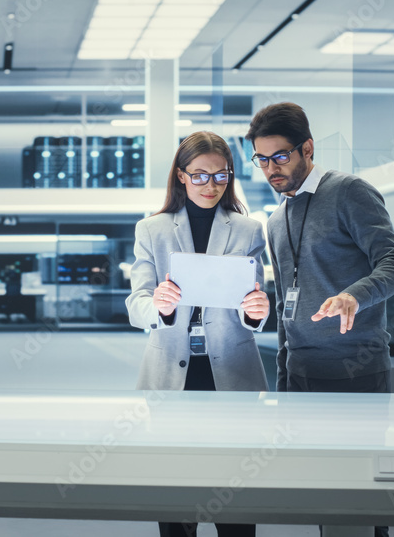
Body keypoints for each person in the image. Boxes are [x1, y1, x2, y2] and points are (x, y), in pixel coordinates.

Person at [247, 103, 394, 537]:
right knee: (323, 493)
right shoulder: (275, 219)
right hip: (301, 373)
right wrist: (283, 379)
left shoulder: (349, 192)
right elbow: (285, 302)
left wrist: (354, 296)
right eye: (261, 159)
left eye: (280, 156)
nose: (270, 169)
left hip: (355, 367)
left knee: (359, 497)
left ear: (308, 148)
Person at [126, 131, 270, 537]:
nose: (211, 186)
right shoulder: (152, 230)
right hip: (171, 373)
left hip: (233, 371)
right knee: (174, 488)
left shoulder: (248, 230)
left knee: (235, 490)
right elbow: (137, 305)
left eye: (221, 176)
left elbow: (253, 305)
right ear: (181, 176)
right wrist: (160, 305)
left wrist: (258, 313)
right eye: (201, 175)